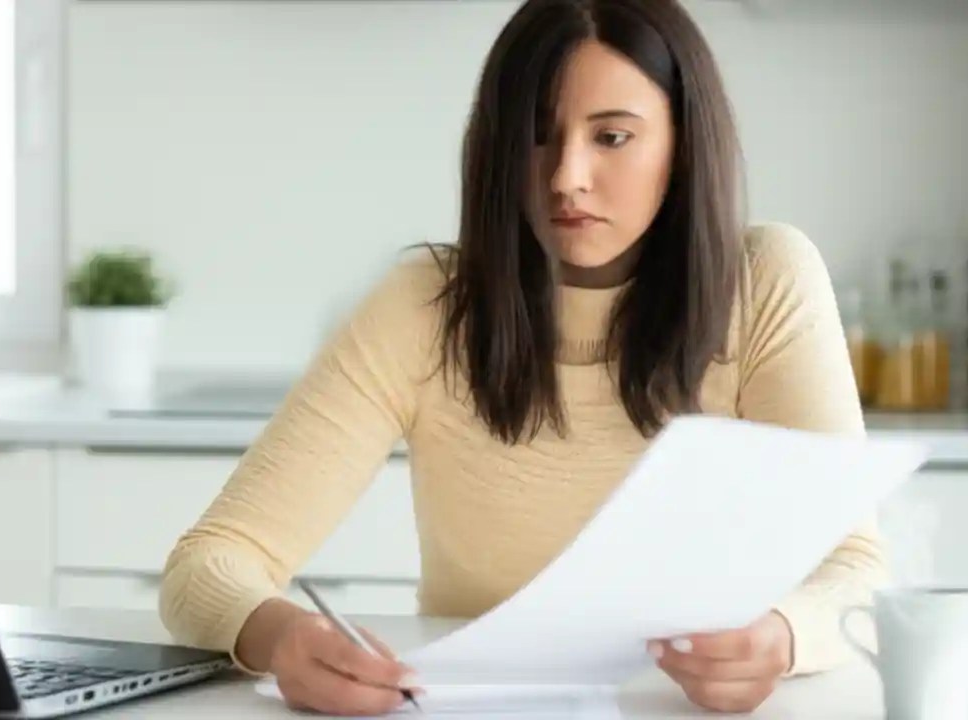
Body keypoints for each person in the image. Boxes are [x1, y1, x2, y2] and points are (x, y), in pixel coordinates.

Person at [160, 0, 881, 715]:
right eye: (538, 137)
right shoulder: (424, 306)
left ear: (684, 144)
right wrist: (280, 636)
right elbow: (208, 563)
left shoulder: (766, 281)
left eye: (613, 137)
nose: (567, 175)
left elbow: (857, 568)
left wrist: (781, 637)